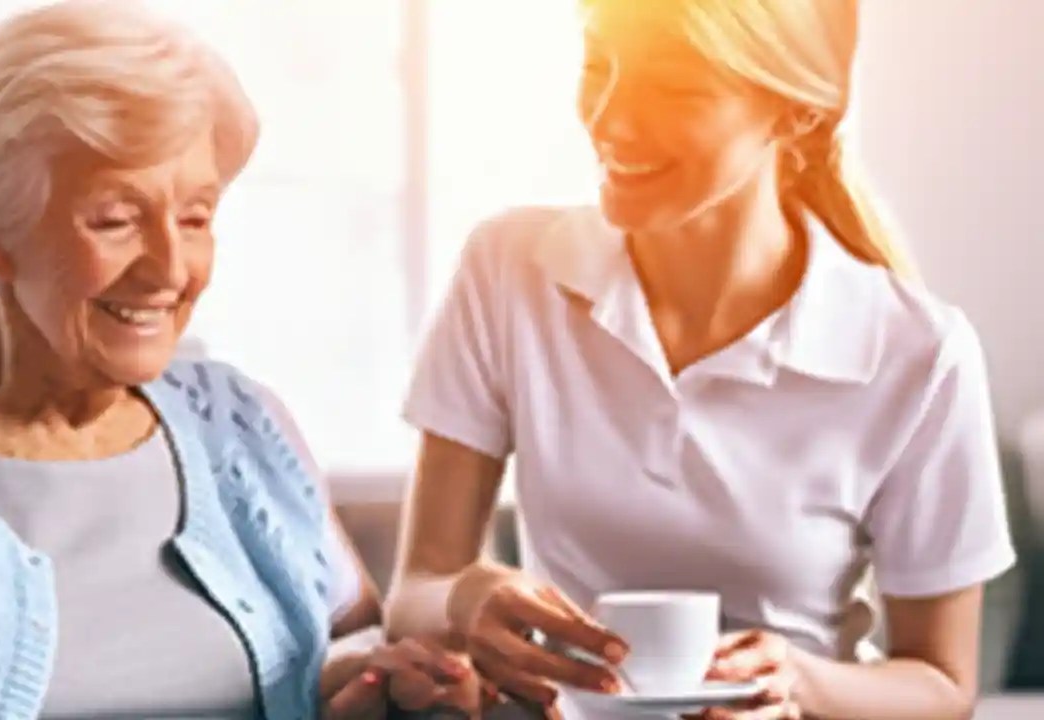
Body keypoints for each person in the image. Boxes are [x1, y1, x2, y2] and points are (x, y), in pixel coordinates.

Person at [0, 1, 482, 718]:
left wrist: (389, 684)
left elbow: (342, 645)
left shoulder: (242, 420)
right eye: (115, 219)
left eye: (197, 217)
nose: (170, 268)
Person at [385, 1, 1016, 718]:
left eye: (675, 89)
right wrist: (467, 599)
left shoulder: (920, 354)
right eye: (598, 66)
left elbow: (941, 684)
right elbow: (416, 591)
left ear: (796, 113)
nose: (611, 120)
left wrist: (797, 685)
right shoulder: (509, 271)